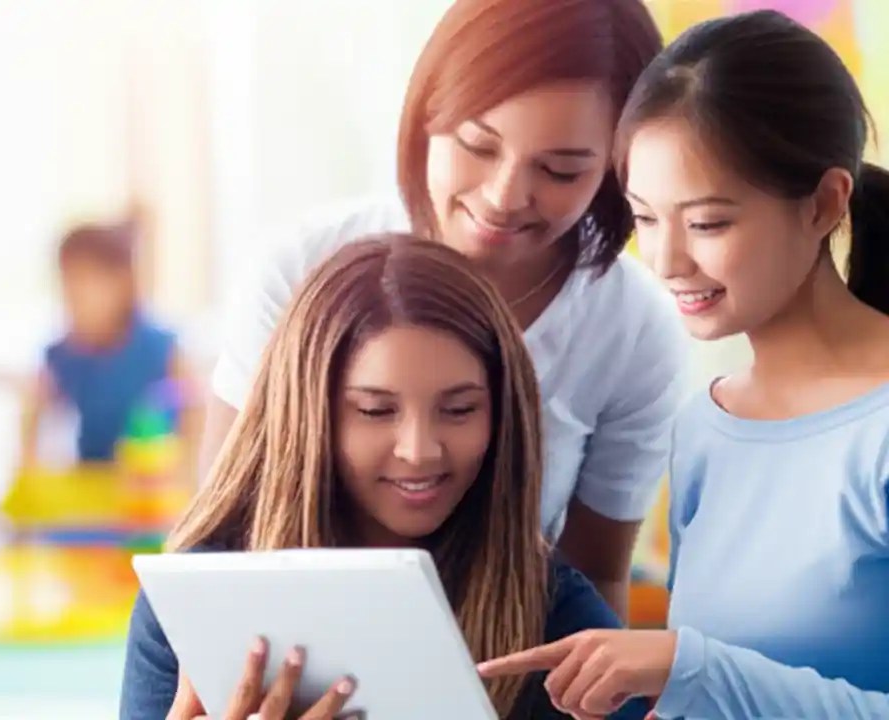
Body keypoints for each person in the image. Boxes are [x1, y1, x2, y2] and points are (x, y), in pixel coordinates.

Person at [202, 0, 687, 616]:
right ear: (428, 110)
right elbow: (218, 547)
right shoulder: (300, 268)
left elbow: (593, 589)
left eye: (560, 170)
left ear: (619, 172)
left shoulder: (633, 331)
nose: (505, 197)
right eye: (478, 146)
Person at [478, 11, 889, 718]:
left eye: (707, 223)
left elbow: (705, 676)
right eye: (645, 217)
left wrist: (684, 666)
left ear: (824, 204)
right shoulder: (707, 425)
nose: (667, 262)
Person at [121, 236, 649, 720]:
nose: (419, 451)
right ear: (311, 415)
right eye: (375, 411)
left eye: (460, 410)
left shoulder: (548, 608)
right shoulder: (193, 603)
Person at [19, 220, 197, 469]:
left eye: (84, 281)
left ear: (123, 284)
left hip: (152, 484)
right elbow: (31, 419)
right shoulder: (61, 355)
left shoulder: (162, 348)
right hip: (93, 485)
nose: (72, 295)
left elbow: (196, 418)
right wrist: (28, 462)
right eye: (66, 281)